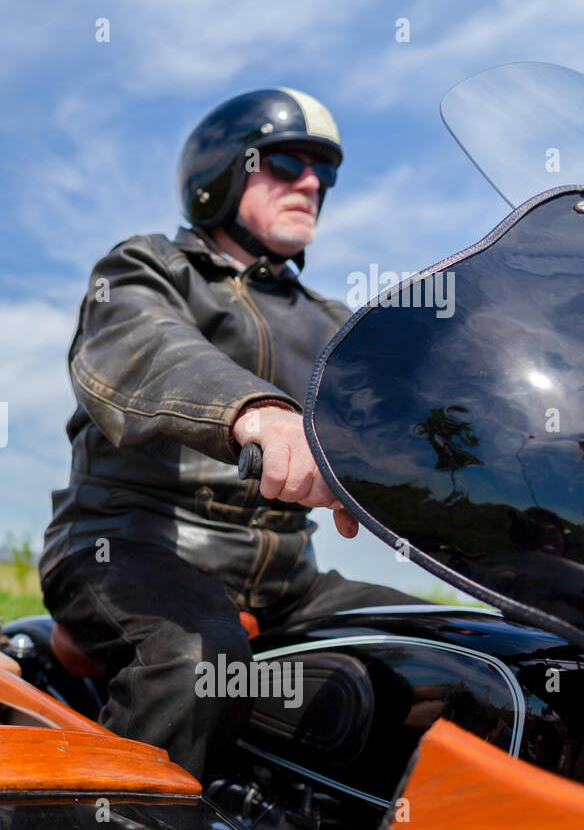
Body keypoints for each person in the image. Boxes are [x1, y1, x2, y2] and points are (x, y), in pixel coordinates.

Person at [38, 87, 422, 782]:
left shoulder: (335, 325)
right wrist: (257, 411)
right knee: (195, 665)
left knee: (488, 654)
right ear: (222, 172)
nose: (311, 182)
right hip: (130, 545)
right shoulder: (149, 270)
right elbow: (143, 347)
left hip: (285, 580)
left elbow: (411, 419)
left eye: (324, 171)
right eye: (285, 162)